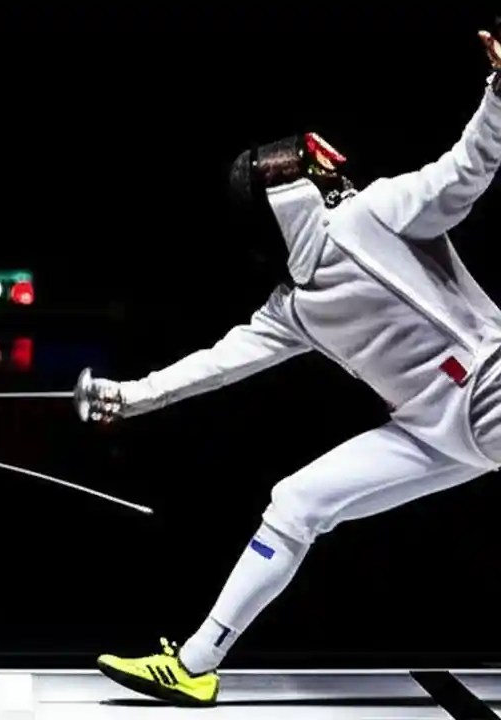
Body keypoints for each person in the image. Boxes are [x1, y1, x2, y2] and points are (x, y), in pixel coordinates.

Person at [80, 26, 501, 707]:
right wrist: (128, 397)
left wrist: (499, 90)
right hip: (438, 433)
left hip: (494, 388)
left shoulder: (374, 215)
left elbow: (467, 168)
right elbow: (215, 365)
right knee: (298, 503)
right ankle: (194, 665)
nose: (320, 174)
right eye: (293, 171)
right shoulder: (295, 310)